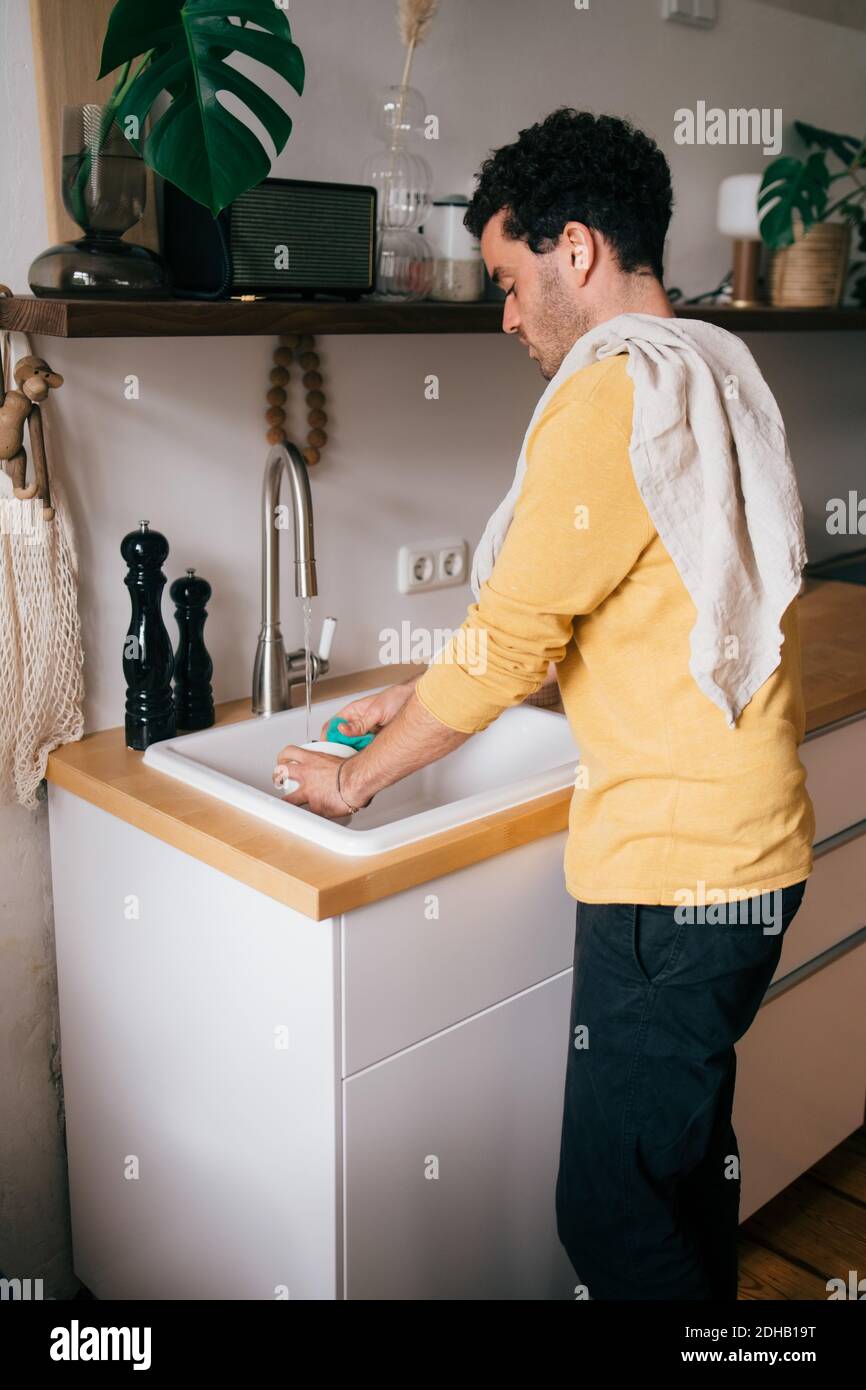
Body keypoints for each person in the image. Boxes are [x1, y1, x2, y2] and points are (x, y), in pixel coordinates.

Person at [272, 108, 814, 1300]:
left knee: (609, 1213)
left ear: (576, 251)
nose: (506, 314)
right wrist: (411, 694)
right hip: (755, 850)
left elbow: (513, 638)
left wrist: (356, 776)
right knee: (682, 1172)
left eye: (511, 280)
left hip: (671, 880)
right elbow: (561, 613)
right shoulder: (710, 363)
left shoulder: (609, 393)